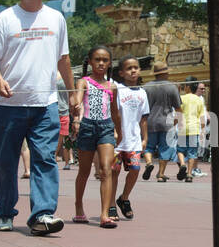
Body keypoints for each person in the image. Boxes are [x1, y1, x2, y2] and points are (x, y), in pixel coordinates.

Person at [0, 0, 73, 235]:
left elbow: (64, 59)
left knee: (44, 159)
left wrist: (73, 92)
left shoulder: (56, 18)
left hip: (45, 106)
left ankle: (42, 214)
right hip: (8, 106)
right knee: (5, 163)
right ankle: (5, 212)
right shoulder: (6, 18)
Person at [71, 45, 121, 227]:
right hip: (87, 127)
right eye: (97, 60)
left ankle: (104, 214)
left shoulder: (112, 86)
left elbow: (115, 113)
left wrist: (119, 132)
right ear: (90, 62)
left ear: (109, 63)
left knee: (107, 169)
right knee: (84, 171)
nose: (101, 63)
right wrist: (76, 103)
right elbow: (77, 97)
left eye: (105, 60)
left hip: (106, 127)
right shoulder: (83, 82)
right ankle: (78, 206)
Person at [112, 57, 149, 220]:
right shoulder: (117, 89)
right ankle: (111, 204)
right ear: (121, 73)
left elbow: (144, 119)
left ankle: (124, 198)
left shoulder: (142, 92)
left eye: (136, 67)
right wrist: (114, 132)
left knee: (135, 170)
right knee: (114, 171)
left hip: (134, 139)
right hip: (117, 140)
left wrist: (145, 137)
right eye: (129, 68)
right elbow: (114, 113)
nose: (133, 70)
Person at [141, 62, 181, 183]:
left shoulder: (146, 87)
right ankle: (161, 174)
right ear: (165, 73)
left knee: (149, 146)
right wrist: (177, 121)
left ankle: (148, 163)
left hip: (149, 122)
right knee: (165, 148)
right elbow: (178, 108)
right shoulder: (171, 87)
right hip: (166, 122)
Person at [178, 77, 206, 182]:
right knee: (192, 152)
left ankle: (182, 164)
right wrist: (202, 128)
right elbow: (202, 118)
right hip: (194, 129)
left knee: (180, 150)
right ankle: (189, 174)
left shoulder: (181, 98)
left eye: (185, 85)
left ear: (188, 87)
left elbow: (178, 114)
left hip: (182, 128)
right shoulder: (199, 100)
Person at [55, 71, 73, 170]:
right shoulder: (49, 71)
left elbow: (72, 95)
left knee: (64, 138)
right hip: (52, 110)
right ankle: (52, 159)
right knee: (54, 138)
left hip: (65, 111)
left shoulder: (68, 74)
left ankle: (67, 161)